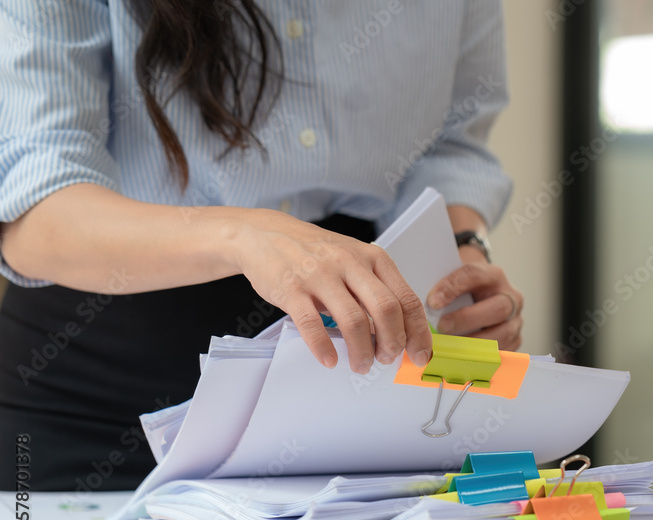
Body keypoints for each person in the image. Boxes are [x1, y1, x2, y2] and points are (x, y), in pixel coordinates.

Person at [0, 0, 523, 491]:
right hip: (94, 392)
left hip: (354, 371)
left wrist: (460, 253)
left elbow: (452, 145)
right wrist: (243, 236)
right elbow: (37, 208)